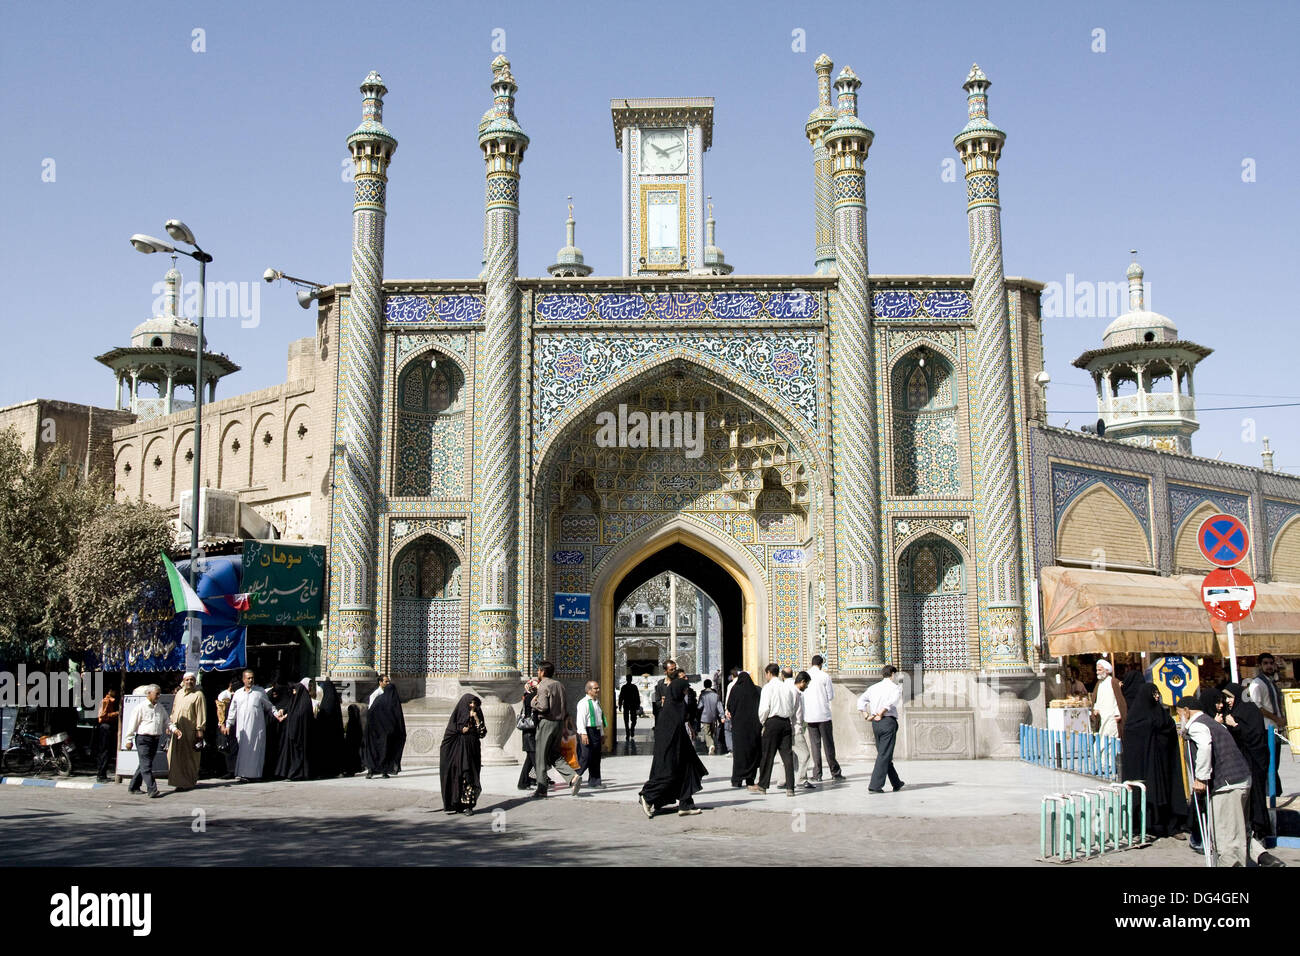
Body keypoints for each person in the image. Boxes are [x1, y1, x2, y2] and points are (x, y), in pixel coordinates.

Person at [1177, 694, 1254, 867]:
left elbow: (1205, 746)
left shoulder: (1197, 725)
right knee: (1238, 833)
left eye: (1180, 713)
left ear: (1187, 711)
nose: (1179, 718)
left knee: (1225, 836)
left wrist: (1201, 778)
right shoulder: (1212, 723)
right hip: (1240, 779)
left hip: (1226, 784)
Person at [1221, 684, 1287, 866]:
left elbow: (1254, 737)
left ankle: (1259, 834)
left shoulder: (1250, 712)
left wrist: (1236, 726)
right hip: (1240, 766)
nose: (1227, 701)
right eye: (1226, 698)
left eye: (1230, 697)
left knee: (1256, 799)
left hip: (1253, 764)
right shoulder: (1232, 713)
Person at [638, 678, 708, 818]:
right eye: (684, 690)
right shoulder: (670, 709)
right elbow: (667, 733)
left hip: (682, 748)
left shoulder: (678, 705)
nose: (686, 692)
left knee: (688, 772)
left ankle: (686, 805)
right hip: (671, 750)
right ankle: (647, 796)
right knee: (668, 774)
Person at [1120, 682, 1178, 836]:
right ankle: (1140, 825)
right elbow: (1133, 740)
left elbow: (1169, 728)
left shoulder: (1161, 714)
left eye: (1157, 693)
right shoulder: (1135, 719)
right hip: (1142, 766)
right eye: (1154, 694)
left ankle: (1163, 824)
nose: (1157, 697)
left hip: (1161, 763)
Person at [531, 661, 580, 797]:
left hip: (546, 722)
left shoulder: (543, 685)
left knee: (541, 756)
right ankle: (573, 777)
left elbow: (543, 707)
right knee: (554, 754)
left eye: (538, 670)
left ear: (542, 671)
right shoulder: (559, 685)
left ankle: (541, 788)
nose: (537, 672)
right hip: (559, 723)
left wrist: (533, 702)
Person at [223, 669, 278, 782]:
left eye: (252, 678)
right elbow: (232, 711)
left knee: (255, 751)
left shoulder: (259, 692)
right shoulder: (238, 693)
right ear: (243, 679)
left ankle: (255, 775)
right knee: (243, 751)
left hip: (256, 728)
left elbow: (269, 706)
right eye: (248, 678)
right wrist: (228, 724)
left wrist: (277, 714)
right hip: (242, 729)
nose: (251, 680)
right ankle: (242, 774)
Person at [1245, 653, 1287, 799]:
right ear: (1260, 666)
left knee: (1274, 764)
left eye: (1271, 663)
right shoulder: (1257, 684)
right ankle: (1270, 795)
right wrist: (1276, 718)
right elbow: (1257, 707)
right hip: (1266, 729)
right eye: (1265, 663)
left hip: (1275, 729)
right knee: (1269, 764)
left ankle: (1275, 793)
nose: (1269, 666)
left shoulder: (1271, 682)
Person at [752, 663, 798, 796]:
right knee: (787, 756)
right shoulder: (786, 687)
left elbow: (764, 708)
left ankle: (763, 785)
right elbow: (792, 707)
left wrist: (763, 722)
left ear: (768, 673)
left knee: (768, 755)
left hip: (772, 723)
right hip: (785, 722)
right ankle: (790, 787)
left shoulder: (768, 688)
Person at [858, 665, 905, 793]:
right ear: (893, 674)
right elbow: (891, 702)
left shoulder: (874, 687)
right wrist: (881, 713)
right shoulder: (895, 688)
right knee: (884, 754)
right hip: (887, 721)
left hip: (875, 723)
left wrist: (866, 715)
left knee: (884, 753)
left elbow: (861, 700)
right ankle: (875, 785)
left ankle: (896, 782)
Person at [440, 693, 487, 814]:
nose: (472, 705)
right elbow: (450, 732)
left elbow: (482, 733)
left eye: (474, 703)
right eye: (470, 703)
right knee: (459, 775)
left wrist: (476, 719)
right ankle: (457, 804)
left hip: (472, 750)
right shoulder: (458, 715)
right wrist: (460, 730)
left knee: (470, 776)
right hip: (459, 750)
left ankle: (468, 806)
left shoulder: (477, 713)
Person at [123, 684, 167, 798]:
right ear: (149, 694)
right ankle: (152, 789)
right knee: (146, 765)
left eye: (159, 693)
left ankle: (133, 786)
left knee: (144, 764)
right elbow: (132, 725)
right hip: (143, 739)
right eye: (157, 694)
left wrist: (174, 729)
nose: (159, 696)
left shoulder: (160, 707)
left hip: (155, 739)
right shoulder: (140, 708)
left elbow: (167, 721)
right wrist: (128, 739)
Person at [804, 654, 842, 782]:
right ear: (821, 664)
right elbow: (830, 696)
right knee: (828, 744)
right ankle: (835, 772)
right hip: (823, 715)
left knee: (815, 746)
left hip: (810, 716)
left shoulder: (805, 675)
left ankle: (817, 774)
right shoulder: (825, 676)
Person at [167, 672, 207, 791]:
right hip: (177, 730)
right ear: (183, 681)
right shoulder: (179, 693)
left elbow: (201, 714)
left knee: (189, 758)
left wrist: (200, 731)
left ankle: (188, 782)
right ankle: (178, 781)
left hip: (190, 731)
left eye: (192, 680)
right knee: (173, 755)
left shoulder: (198, 695)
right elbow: (174, 710)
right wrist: (169, 725)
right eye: (187, 680)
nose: (189, 682)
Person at [276, 678, 316, 781]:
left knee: (298, 756)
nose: (293, 692)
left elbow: (300, 717)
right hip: (294, 735)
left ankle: (296, 774)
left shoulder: (304, 703)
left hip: (298, 736)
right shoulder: (297, 701)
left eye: (295, 690)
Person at [726, 671, 761, 788]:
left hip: (739, 728)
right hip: (753, 727)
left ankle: (737, 779)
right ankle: (750, 779)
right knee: (752, 753)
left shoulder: (735, 689)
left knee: (739, 754)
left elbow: (730, 706)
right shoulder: (757, 690)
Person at [364, 682, 406, 778]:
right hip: (388, 733)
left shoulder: (378, 699)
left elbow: (370, 713)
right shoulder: (394, 702)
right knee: (386, 751)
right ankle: (384, 771)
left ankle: (371, 771)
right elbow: (398, 718)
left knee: (375, 751)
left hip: (375, 731)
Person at [577, 679, 606, 787]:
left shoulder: (597, 702)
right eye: (595, 688)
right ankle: (574, 777)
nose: (598, 690)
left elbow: (600, 720)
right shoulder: (583, 703)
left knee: (596, 757)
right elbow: (581, 720)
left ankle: (595, 781)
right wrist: (583, 734)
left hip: (596, 731)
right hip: (587, 731)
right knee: (586, 757)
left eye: (598, 688)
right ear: (589, 690)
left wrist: (602, 734)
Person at [314, 680, 345, 779]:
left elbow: (321, 718)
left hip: (325, 734)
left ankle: (325, 771)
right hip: (335, 734)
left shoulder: (326, 703)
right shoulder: (335, 702)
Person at [791, 671, 816, 790]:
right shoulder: (794, 693)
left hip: (796, 728)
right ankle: (801, 779)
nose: (807, 686)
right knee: (805, 755)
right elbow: (791, 712)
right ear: (802, 682)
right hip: (795, 730)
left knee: (793, 756)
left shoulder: (797, 693)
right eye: (806, 684)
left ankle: (785, 780)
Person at [1092, 658, 1127, 738]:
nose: (1097, 672)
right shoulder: (1099, 683)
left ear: (1107, 670)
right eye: (1097, 670)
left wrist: (1118, 713)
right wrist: (1096, 708)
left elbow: (1118, 699)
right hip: (1102, 715)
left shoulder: (1113, 682)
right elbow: (1097, 698)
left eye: (1100, 670)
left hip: (1112, 716)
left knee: (1111, 737)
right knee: (1102, 736)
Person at [517, 677, 540, 791]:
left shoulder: (528, 696)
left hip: (530, 732)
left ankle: (523, 782)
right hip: (530, 732)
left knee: (530, 760)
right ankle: (542, 782)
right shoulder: (531, 696)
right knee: (535, 759)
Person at [93, 686, 120, 782]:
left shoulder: (109, 701)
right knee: (105, 751)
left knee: (106, 751)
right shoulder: (106, 701)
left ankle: (102, 774)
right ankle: (101, 774)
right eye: (114, 691)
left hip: (107, 726)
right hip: (105, 726)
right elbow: (102, 715)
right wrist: (116, 713)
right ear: (110, 691)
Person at [215, 678, 239, 779]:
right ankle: (229, 770)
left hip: (236, 724)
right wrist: (222, 724)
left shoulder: (238, 694)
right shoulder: (224, 695)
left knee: (234, 747)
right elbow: (220, 711)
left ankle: (234, 769)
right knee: (225, 747)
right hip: (225, 724)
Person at [697, 679, 722, 755]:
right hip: (713, 717)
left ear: (704, 685)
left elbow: (700, 706)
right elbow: (719, 706)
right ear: (711, 685)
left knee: (707, 733)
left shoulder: (703, 695)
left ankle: (711, 745)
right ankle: (711, 746)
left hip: (705, 717)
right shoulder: (716, 695)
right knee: (712, 731)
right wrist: (722, 716)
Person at [618, 674, 640, 744]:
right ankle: (628, 732)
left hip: (630, 705)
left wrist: (620, 705)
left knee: (631, 719)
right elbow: (621, 697)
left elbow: (637, 696)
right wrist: (620, 705)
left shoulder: (631, 687)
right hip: (628, 705)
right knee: (628, 719)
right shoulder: (626, 687)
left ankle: (631, 729)